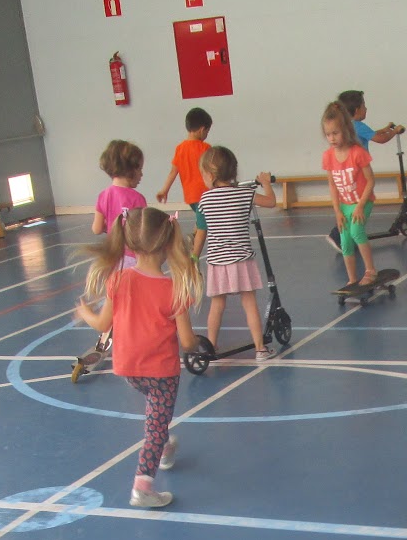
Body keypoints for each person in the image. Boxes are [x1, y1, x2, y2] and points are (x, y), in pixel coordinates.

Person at [73, 207, 203, 509]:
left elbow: (104, 325)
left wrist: (85, 313)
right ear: (169, 240)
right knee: (154, 427)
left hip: (129, 370)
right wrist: (197, 342)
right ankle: (142, 486)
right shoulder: (174, 288)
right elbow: (186, 341)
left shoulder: (118, 280)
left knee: (157, 418)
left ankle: (166, 446)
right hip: (161, 373)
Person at [196, 146, 278, 361]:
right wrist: (267, 184)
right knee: (249, 303)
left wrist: (194, 256)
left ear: (211, 176)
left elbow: (201, 230)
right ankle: (260, 349)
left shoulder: (204, 200)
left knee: (217, 305)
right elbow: (271, 202)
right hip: (241, 260)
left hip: (217, 262)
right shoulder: (245, 193)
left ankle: (211, 346)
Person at [330, 90, 404, 252]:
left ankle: (343, 233)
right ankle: (339, 235)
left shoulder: (348, 126)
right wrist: (394, 131)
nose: (366, 109)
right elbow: (380, 139)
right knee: (362, 202)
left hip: (348, 171)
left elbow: (372, 134)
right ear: (357, 110)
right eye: (364, 106)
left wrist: (385, 128)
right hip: (359, 172)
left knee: (350, 202)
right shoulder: (358, 126)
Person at [321, 102, 379, 289]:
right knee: (345, 240)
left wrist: (361, 206)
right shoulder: (328, 156)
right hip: (344, 205)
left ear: (346, 130)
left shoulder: (357, 153)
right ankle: (352, 278)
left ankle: (371, 271)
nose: (332, 138)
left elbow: (370, 180)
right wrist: (337, 211)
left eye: (335, 133)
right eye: (328, 134)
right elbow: (332, 185)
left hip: (362, 201)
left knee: (356, 232)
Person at [156, 107, 213, 259]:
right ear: (202, 129)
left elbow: (173, 172)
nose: (207, 135)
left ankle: (191, 237)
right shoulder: (206, 148)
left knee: (202, 219)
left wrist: (164, 190)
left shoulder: (180, 148)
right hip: (204, 195)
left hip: (190, 196)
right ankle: (194, 257)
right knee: (204, 227)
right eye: (207, 131)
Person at [93, 140, 149, 247]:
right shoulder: (137, 199)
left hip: (113, 253)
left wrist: (112, 226)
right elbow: (143, 231)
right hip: (132, 254)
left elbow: (97, 229)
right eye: (140, 169)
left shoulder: (103, 196)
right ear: (130, 170)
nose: (141, 174)